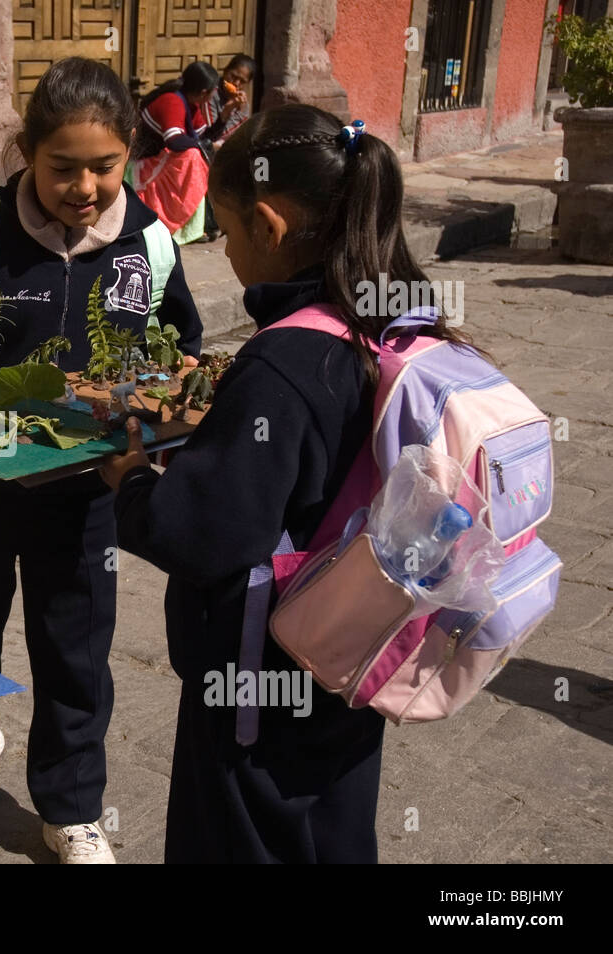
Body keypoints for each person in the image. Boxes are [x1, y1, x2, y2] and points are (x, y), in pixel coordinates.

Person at [99, 104, 479, 863]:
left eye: (231, 231)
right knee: (330, 835)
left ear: (270, 227)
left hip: (257, 689)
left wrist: (133, 480)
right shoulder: (399, 322)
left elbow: (202, 533)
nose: (229, 249)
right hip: (354, 660)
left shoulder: (281, 366)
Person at [0, 57, 203, 863]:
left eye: (104, 166)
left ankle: (70, 803)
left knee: (75, 647)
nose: (85, 187)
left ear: (130, 150)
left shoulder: (152, 247)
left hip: (82, 497)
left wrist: (163, 402)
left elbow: (186, 353)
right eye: (63, 168)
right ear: (27, 150)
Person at [129, 61, 229, 245]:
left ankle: (198, 224)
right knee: (193, 157)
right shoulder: (172, 101)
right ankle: (186, 224)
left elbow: (203, 136)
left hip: (161, 158)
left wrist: (224, 116)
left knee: (198, 154)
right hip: (144, 161)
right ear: (203, 93)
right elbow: (175, 141)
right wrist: (206, 146)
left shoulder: (192, 105)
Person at [197, 54, 256, 240]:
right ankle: (209, 222)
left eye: (241, 81)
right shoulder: (211, 94)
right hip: (204, 146)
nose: (235, 82)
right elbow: (208, 133)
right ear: (225, 71)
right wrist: (227, 110)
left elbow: (239, 130)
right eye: (233, 76)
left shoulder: (242, 102)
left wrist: (236, 109)